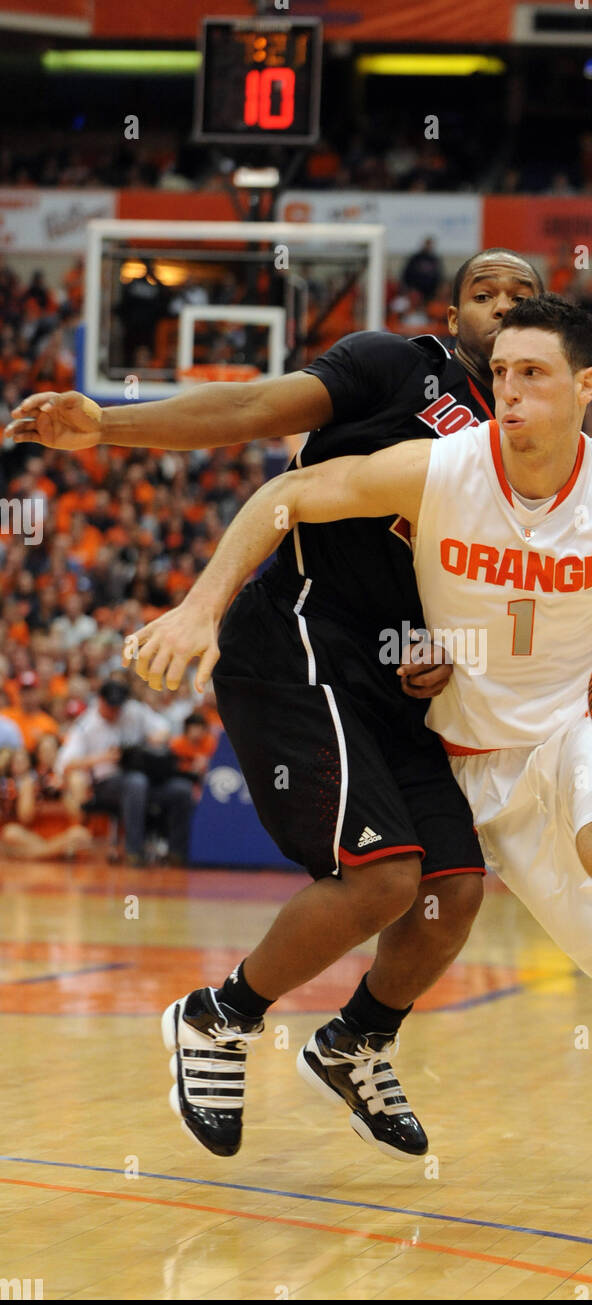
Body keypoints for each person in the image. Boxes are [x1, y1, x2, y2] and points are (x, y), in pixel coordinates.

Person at [128, 293, 592, 1193]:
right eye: (501, 375)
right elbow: (287, 494)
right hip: (483, 759)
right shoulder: (440, 470)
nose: (509, 394)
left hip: (591, 722)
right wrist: (201, 608)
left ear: (587, 385)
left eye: (534, 376)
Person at [7, 248, 544, 1162]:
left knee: (452, 894)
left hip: (390, 678)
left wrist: (451, 653)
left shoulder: (535, 464)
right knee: (381, 879)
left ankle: (355, 1040)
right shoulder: (392, 366)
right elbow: (255, 410)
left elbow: (485, 598)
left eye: (519, 297)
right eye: (480, 294)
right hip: (298, 635)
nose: (498, 307)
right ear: (454, 320)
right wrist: (109, 427)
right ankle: (219, 1017)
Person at [55, 678, 195, 866]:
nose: (115, 711)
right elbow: (65, 763)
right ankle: (134, 852)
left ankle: (177, 853)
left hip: (146, 778)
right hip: (106, 785)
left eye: (119, 706)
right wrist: (102, 757)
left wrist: (157, 737)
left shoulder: (134, 711)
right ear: (100, 701)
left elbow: (163, 728)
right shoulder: (86, 725)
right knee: (136, 783)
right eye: (111, 706)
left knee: (181, 789)